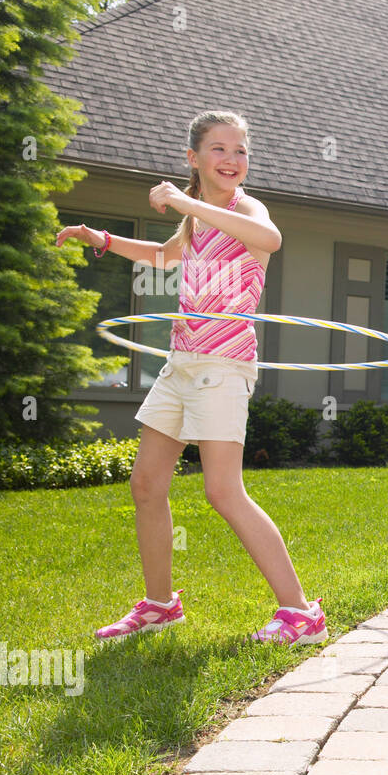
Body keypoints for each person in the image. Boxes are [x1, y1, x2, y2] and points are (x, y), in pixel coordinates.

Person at [56, 110, 327, 646]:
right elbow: (161, 255)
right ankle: (161, 605)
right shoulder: (196, 220)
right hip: (180, 364)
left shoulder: (244, 209)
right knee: (146, 484)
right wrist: (103, 239)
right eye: (220, 149)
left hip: (223, 367)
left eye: (240, 150)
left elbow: (268, 238)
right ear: (194, 157)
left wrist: (182, 201)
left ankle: (301, 613)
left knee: (224, 491)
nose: (232, 160)